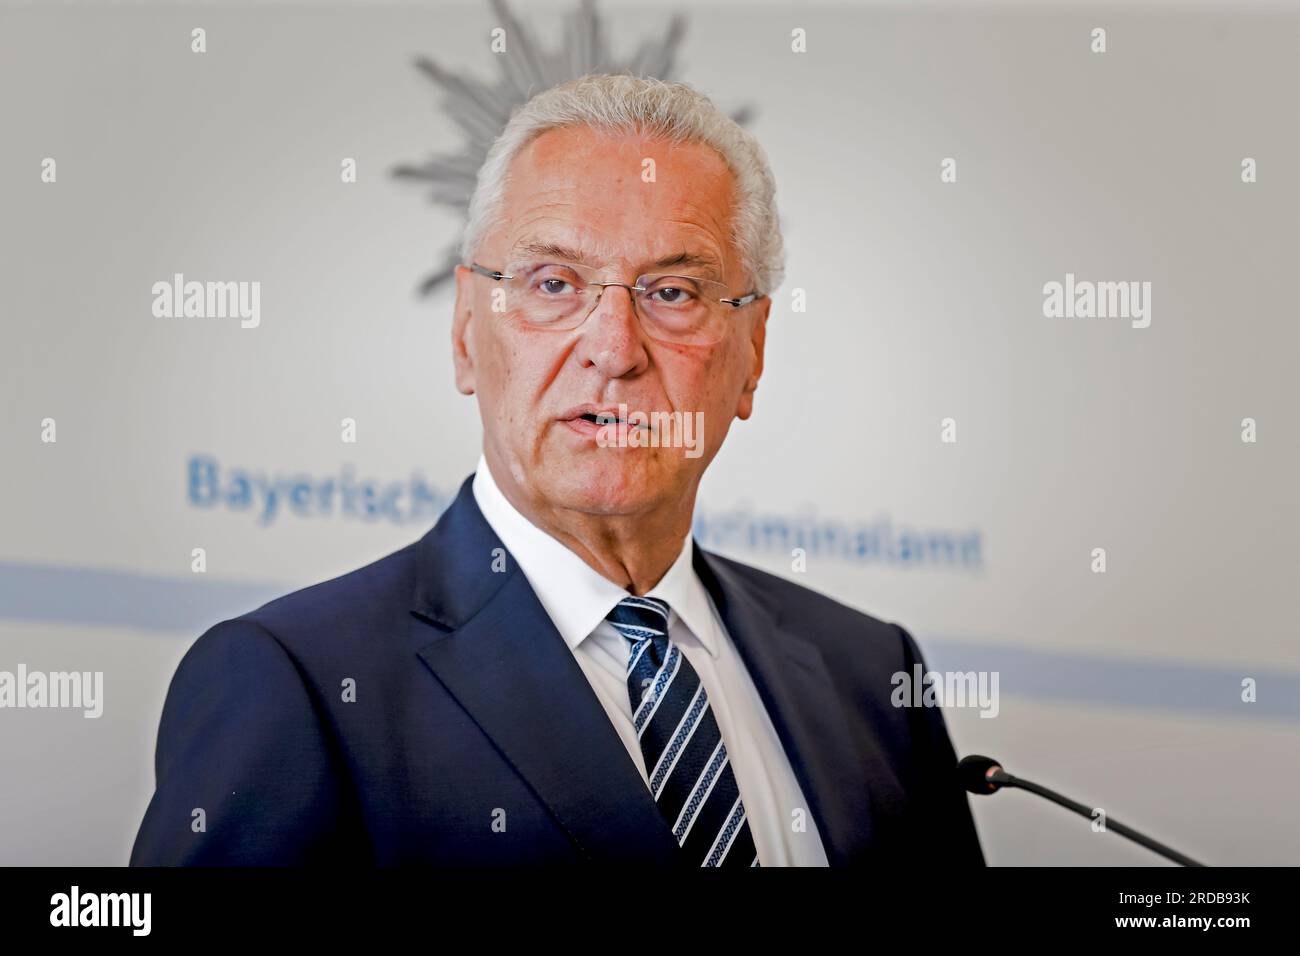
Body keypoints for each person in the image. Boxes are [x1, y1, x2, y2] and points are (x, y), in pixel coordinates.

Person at [130, 73, 984, 867]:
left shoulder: (873, 676)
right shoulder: (295, 685)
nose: (614, 351)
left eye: (674, 293)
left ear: (752, 352)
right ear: (467, 331)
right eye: (553, 283)